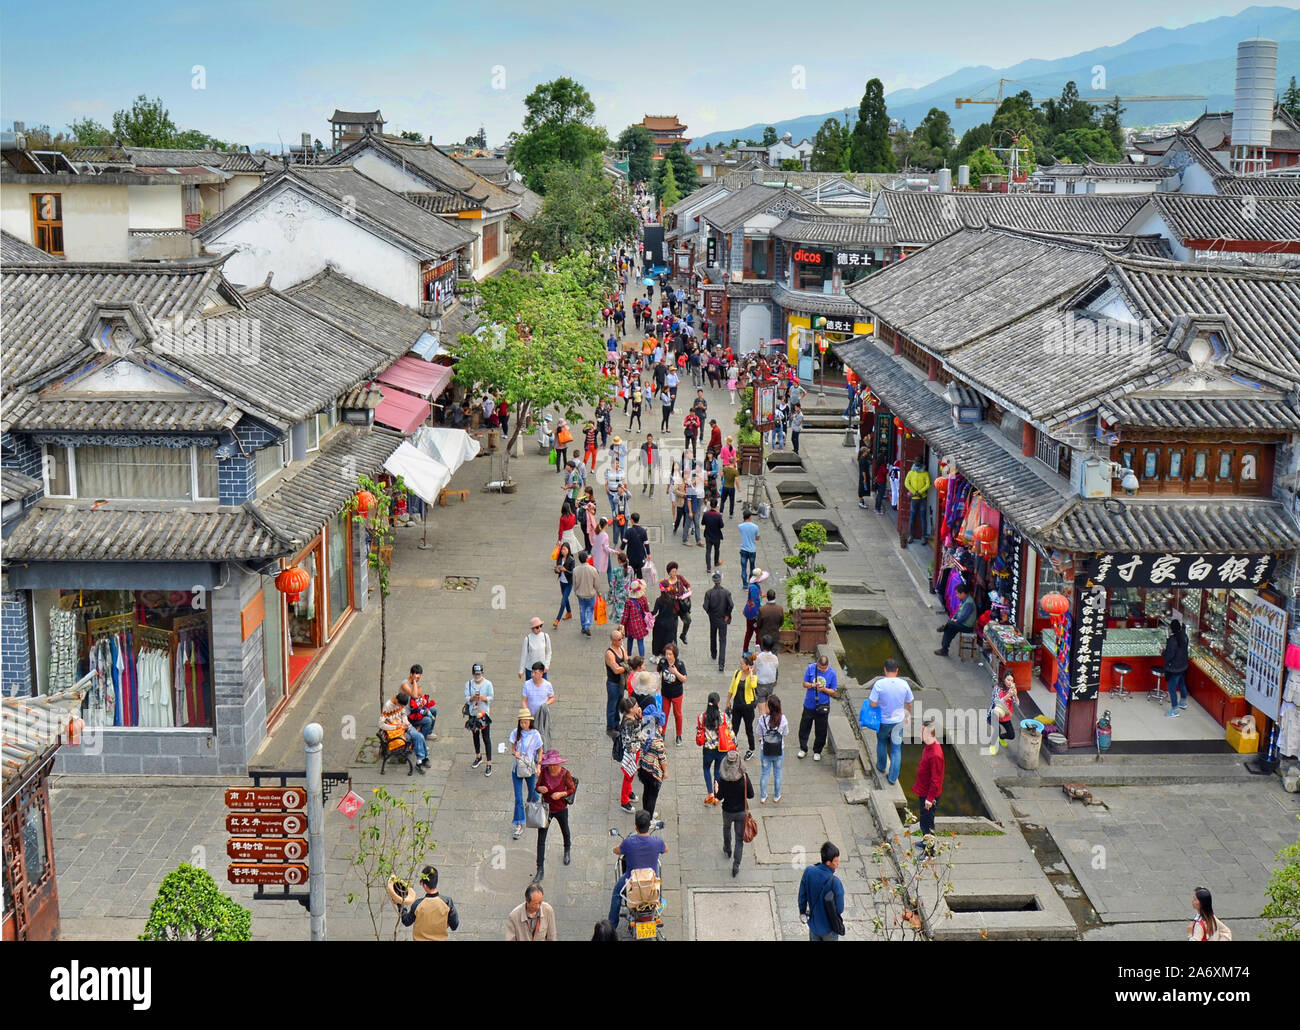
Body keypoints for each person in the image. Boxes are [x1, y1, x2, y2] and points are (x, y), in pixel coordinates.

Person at [609, 809, 668, 930]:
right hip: (650, 882)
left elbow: (616, 851)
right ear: (649, 826)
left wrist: (617, 848)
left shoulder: (629, 843)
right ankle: (657, 908)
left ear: (636, 827)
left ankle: (611, 926)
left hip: (631, 881)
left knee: (616, 894)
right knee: (660, 891)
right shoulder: (657, 842)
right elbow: (666, 849)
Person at [868, 658, 915, 784]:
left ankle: (881, 766)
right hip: (898, 720)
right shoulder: (904, 684)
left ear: (884, 669)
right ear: (897, 671)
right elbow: (910, 703)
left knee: (882, 741)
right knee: (896, 749)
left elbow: (872, 704)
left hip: (883, 720)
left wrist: (880, 703)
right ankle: (893, 778)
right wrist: (907, 714)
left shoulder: (879, 684)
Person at [533, 750, 575, 881]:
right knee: (541, 839)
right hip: (546, 809)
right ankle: (540, 868)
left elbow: (571, 788)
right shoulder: (544, 773)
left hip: (561, 808)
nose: (551, 767)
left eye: (554, 764)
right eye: (549, 764)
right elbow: (537, 786)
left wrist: (561, 794)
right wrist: (540, 789)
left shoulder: (565, 773)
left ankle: (567, 850)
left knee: (565, 830)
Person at [714, 749, 755, 878]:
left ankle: (727, 848)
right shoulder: (744, 777)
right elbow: (751, 794)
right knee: (739, 839)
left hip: (727, 810)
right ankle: (736, 865)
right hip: (741, 812)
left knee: (726, 828)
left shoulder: (723, 778)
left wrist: (716, 790)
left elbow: (719, 797)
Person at [395, 865, 459, 940]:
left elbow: (406, 921)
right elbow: (454, 926)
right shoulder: (447, 902)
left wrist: (399, 903)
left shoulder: (417, 905)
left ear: (424, 885)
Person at [798, 842, 845, 942]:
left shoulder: (809, 871)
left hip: (814, 925)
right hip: (829, 929)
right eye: (836, 861)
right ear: (828, 862)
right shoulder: (835, 882)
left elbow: (802, 896)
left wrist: (802, 912)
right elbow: (840, 909)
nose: (838, 863)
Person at [509, 708, 544, 840]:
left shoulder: (535, 734)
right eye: (521, 722)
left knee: (533, 793)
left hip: (530, 768)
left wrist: (539, 765)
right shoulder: (515, 733)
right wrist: (515, 753)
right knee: (518, 798)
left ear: (530, 722)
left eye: (525, 722)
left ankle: (534, 813)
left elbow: (540, 751)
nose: (523, 725)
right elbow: (512, 748)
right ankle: (519, 824)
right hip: (517, 768)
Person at [797, 655, 838, 762]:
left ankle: (817, 751)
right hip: (809, 704)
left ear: (827, 666)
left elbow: (833, 690)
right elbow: (804, 684)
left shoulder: (832, 673)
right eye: (820, 668)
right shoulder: (811, 668)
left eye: (824, 669)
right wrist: (812, 685)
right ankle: (803, 748)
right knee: (804, 727)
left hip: (823, 705)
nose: (822, 670)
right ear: (817, 664)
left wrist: (824, 689)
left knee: (821, 730)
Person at [913, 716, 945, 851]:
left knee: (928, 823)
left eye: (923, 733)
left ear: (930, 734)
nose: (921, 735)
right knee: (924, 820)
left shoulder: (936, 754)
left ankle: (930, 851)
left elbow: (936, 779)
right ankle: (925, 841)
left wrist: (930, 799)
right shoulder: (928, 747)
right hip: (923, 790)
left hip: (928, 795)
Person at [698, 691, 735, 804]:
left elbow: (700, 730)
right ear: (718, 704)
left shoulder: (702, 717)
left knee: (706, 769)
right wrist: (734, 745)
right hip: (721, 749)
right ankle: (716, 796)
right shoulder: (724, 717)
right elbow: (730, 733)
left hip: (708, 749)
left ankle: (710, 793)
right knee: (718, 772)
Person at [381, 689, 429, 772]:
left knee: (418, 736)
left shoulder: (400, 704)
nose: (402, 708)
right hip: (397, 732)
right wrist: (397, 726)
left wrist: (405, 722)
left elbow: (403, 715)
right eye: (401, 706)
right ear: (396, 700)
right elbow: (381, 724)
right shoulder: (387, 706)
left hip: (405, 727)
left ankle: (422, 760)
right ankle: (421, 760)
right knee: (419, 736)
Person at [756, 694, 789, 804]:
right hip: (779, 750)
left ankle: (763, 796)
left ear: (769, 707)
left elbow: (758, 733)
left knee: (765, 773)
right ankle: (776, 796)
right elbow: (786, 733)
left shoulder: (762, 719)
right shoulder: (783, 719)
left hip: (765, 750)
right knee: (778, 773)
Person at [727, 651, 759, 759]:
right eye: (740, 663)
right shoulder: (737, 673)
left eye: (742, 664)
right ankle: (733, 747)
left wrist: (750, 673)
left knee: (748, 728)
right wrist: (728, 702)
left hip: (747, 707)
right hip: (737, 705)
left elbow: (754, 685)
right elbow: (731, 688)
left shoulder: (753, 677)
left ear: (748, 666)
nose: (740, 665)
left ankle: (751, 748)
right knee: (734, 728)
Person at [464, 663, 494, 776]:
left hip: (484, 714)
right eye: (476, 674)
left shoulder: (488, 684)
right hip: (473, 714)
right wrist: (473, 698)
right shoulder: (469, 684)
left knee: (486, 738)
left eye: (479, 674)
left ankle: (489, 763)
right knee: (475, 735)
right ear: (473, 674)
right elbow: (466, 698)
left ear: (482, 673)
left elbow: (491, 697)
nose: (477, 676)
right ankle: (478, 756)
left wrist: (483, 698)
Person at [658, 643, 689, 745]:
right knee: (664, 714)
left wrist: (675, 672)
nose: (668, 656)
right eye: (666, 654)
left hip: (677, 694)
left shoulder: (680, 665)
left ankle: (679, 735)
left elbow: (684, 679)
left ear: (675, 655)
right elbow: (658, 673)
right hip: (665, 694)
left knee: (678, 714)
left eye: (670, 654)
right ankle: (662, 733)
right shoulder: (662, 662)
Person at [703, 571, 734, 673]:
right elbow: (731, 605)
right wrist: (727, 614)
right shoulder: (726, 592)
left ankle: (713, 653)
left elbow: (705, 606)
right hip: (722, 618)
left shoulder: (709, 593)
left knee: (713, 635)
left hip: (713, 618)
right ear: (720, 580)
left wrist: (709, 613)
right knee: (723, 640)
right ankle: (721, 664)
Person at [935, 583, 977, 657]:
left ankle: (944, 648)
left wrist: (955, 621)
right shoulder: (964, 600)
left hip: (967, 627)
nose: (956, 595)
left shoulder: (969, 603)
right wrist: (954, 618)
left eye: (958, 593)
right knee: (949, 628)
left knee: (950, 625)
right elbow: (958, 612)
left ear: (963, 593)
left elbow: (963, 617)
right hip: (961, 624)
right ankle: (944, 649)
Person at [637, 718, 668, 819]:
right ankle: (649, 819)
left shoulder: (644, 733)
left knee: (646, 792)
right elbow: (662, 760)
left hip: (644, 768)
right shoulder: (658, 741)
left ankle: (646, 812)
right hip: (653, 772)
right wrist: (666, 772)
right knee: (652, 796)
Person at [1163, 615, 1191, 717]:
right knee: (1182, 684)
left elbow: (1169, 656)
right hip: (1183, 666)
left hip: (1174, 668)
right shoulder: (1184, 636)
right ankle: (1183, 702)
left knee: (1172, 688)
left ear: (1171, 629)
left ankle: (1174, 709)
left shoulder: (1172, 640)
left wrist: (1162, 652)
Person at [400, 665, 437, 740]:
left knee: (433, 710)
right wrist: (414, 681)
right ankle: (421, 740)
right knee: (428, 721)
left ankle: (428, 732)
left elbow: (419, 695)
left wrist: (423, 701)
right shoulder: (404, 684)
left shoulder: (415, 683)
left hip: (415, 710)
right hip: (407, 715)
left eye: (419, 678)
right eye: (416, 677)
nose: (417, 679)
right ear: (411, 674)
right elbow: (414, 695)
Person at [605, 628, 630, 737]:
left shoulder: (622, 649)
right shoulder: (610, 653)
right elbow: (616, 669)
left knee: (618, 704)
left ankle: (616, 724)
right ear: (614, 641)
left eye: (622, 638)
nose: (622, 641)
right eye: (620, 639)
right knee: (612, 705)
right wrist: (626, 667)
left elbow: (627, 660)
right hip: (613, 683)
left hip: (621, 683)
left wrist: (624, 666)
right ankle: (610, 727)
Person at [572, 549, 602, 637]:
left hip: (580, 594)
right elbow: (596, 584)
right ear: (586, 559)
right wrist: (598, 592)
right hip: (590, 594)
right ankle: (587, 625)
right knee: (590, 610)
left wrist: (575, 591)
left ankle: (583, 626)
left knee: (582, 609)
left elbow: (575, 583)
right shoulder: (593, 570)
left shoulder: (575, 570)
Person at [988, 672, 1017, 755]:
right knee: (997, 730)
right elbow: (996, 701)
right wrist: (1007, 696)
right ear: (1004, 679)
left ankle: (1001, 737)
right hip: (995, 713)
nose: (1010, 682)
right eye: (1008, 680)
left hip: (1006, 716)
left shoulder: (1012, 690)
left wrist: (1015, 695)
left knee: (1011, 735)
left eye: (1012, 680)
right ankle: (993, 745)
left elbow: (1017, 703)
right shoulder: (997, 688)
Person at [621, 578, 651, 658]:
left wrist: (622, 624)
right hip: (640, 624)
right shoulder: (643, 599)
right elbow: (647, 611)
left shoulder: (628, 601)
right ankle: (642, 657)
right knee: (640, 641)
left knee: (630, 640)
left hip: (631, 625)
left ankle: (629, 654)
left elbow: (626, 615)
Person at [741, 567, 768, 652]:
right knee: (758, 633)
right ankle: (757, 651)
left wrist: (763, 595)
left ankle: (745, 650)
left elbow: (757, 598)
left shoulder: (755, 586)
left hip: (750, 613)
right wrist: (757, 616)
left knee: (749, 632)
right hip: (754, 614)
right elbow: (754, 602)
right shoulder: (754, 588)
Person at [665, 561, 692, 646]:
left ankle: (683, 635)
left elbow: (687, 584)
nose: (675, 573)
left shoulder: (680, 578)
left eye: (675, 571)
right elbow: (667, 596)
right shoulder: (667, 583)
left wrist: (688, 589)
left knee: (688, 620)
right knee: (674, 628)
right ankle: (674, 644)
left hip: (682, 606)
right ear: (669, 573)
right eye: (673, 571)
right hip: (673, 608)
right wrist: (676, 597)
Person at [650, 581, 679, 659]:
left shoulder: (659, 600)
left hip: (661, 622)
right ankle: (667, 654)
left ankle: (656, 655)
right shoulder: (672, 598)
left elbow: (654, 612)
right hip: (671, 621)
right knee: (668, 639)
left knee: (658, 639)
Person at [904, 457, 930, 542]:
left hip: (921, 497)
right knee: (913, 517)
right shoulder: (911, 472)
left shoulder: (925, 473)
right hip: (917, 497)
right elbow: (906, 483)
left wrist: (918, 492)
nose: (917, 464)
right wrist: (915, 492)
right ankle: (912, 535)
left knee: (922, 518)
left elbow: (928, 484)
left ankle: (923, 536)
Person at [753, 637, 780, 721]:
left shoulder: (759, 657)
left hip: (760, 685)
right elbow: (775, 667)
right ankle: (770, 723)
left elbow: (754, 669)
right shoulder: (775, 658)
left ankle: (763, 726)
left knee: (762, 710)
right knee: (768, 706)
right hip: (771, 685)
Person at [519, 617, 553, 682]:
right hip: (530, 670)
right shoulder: (527, 639)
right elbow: (524, 656)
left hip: (542, 669)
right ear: (532, 628)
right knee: (530, 690)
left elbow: (549, 652)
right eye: (537, 627)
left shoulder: (545, 636)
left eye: (541, 626)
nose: (539, 628)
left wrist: (546, 665)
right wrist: (521, 670)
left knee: (543, 689)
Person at [552, 541, 575, 628]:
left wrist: (565, 570)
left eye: (564, 549)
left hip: (569, 583)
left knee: (563, 601)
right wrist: (557, 570)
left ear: (568, 550)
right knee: (566, 599)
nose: (563, 551)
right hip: (562, 582)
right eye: (562, 549)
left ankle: (557, 619)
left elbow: (572, 573)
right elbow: (556, 568)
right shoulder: (559, 558)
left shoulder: (571, 560)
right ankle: (569, 612)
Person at [623, 512, 650, 580]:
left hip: (631, 557)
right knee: (640, 577)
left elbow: (623, 544)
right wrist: (649, 554)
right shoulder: (643, 531)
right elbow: (646, 544)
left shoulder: (628, 531)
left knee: (631, 575)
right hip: (641, 556)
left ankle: (631, 587)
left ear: (632, 520)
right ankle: (638, 588)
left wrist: (619, 552)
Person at [702, 498, 725, 573]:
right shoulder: (718, 515)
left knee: (708, 551)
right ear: (716, 506)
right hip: (716, 535)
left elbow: (702, 523)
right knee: (717, 549)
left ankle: (708, 568)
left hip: (708, 535)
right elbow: (721, 525)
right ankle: (716, 562)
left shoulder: (706, 514)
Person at [738, 510, 760, 586]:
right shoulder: (755, 527)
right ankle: (751, 581)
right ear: (750, 517)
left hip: (743, 550)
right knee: (752, 567)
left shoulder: (740, 526)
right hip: (752, 550)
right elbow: (757, 538)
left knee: (743, 568)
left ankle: (744, 584)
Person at [857, 441, 873, 510]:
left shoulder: (863, 458)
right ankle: (861, 502)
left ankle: (861, 500)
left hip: (864, 475)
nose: (867, 452)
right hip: (863, 475)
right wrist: (865, 478)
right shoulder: (862, 460)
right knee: (862, 488)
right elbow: (863, 471)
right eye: (866, 451)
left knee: (862, 488)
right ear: (864, 452)